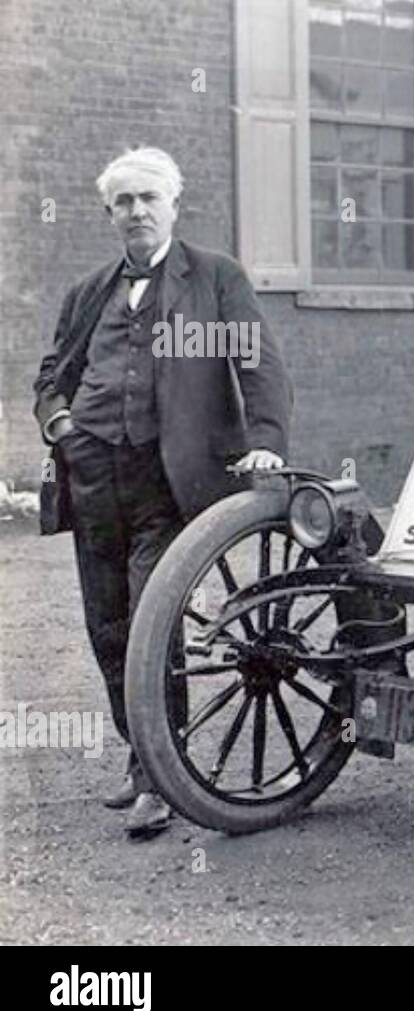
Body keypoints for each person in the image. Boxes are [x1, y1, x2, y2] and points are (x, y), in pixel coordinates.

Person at [33, 146, 291, 837]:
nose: (137, 211)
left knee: (153, 623)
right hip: (92, 477)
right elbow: (52, 374)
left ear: (173, 204)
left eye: (149, 198)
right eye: (124, 202)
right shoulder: (91, 291)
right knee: (108, 627)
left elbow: (257, 362)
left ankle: (158, 776)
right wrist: (60, 424)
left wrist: (264, 438)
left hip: (167, 479)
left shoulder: (211, 280)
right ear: (110, 213)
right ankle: (138, 752)